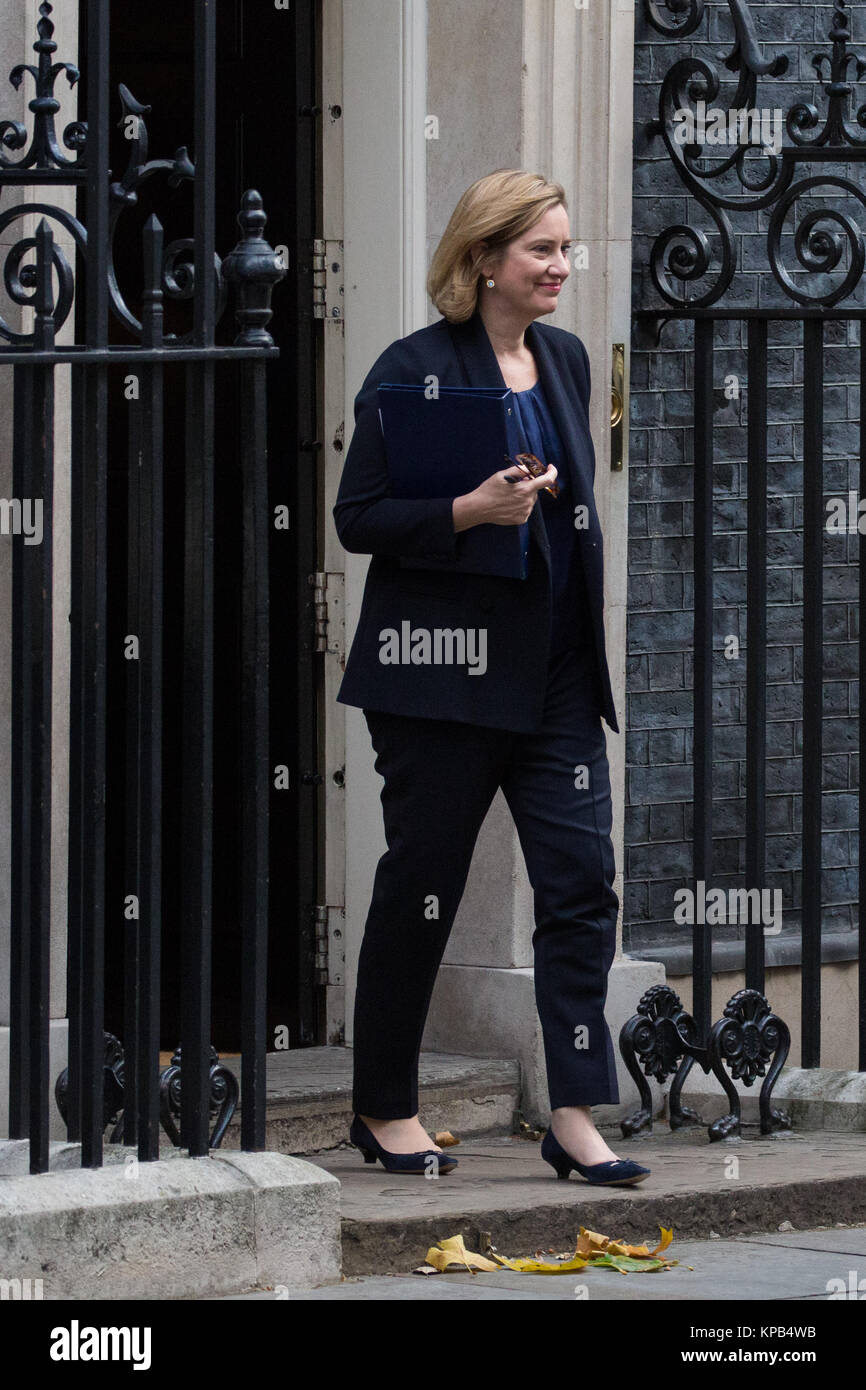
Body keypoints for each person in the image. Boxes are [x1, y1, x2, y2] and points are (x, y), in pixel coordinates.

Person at [332, 169, 649, 1186]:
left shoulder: (561, 359)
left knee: (579, 885)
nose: (560, 265)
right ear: (481, 261)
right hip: (443, 683)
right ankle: (383, 1106)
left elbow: (565, 499)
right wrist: (468, 512)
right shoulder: (411, 365)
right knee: (420, 886)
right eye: (540, 250)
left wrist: (541, 491)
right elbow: (357, 517)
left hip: (553, 677)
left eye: (564, 247)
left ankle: (571, 1113)